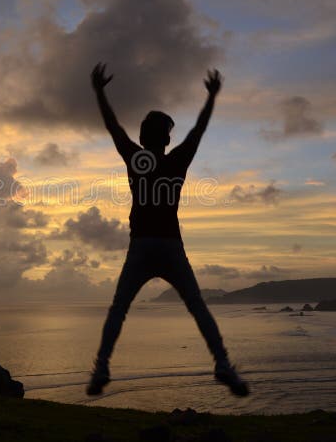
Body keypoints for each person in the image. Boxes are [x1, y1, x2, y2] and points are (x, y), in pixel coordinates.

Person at [86, 62, 249, 398]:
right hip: (171, 246)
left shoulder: (135, 158)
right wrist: (212, 97)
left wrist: (100, 91)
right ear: (167, 139)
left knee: (119, 308)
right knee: (197, 306)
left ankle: (102, 366)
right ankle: (222, 363)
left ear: (144, 137)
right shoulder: (176, 161)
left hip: (141, 246)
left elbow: (113, 127)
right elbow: (199, 131)